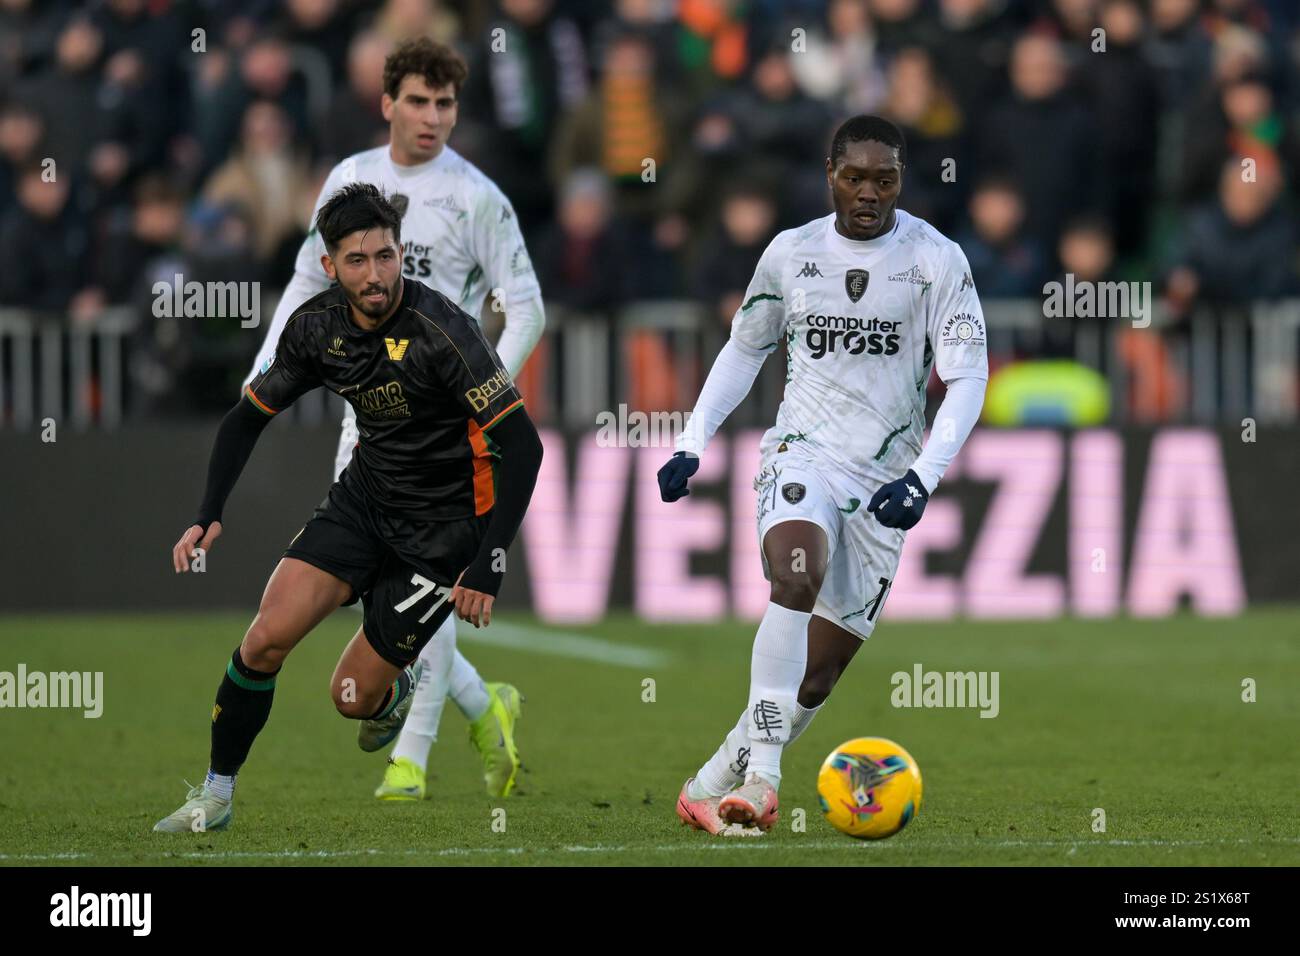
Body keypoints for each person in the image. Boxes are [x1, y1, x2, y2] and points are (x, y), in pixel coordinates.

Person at [154, 184, 542, 833]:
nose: (375, 274)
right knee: (265, 638)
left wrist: (488, 565)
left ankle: (400, 689)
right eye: (357, 260)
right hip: (363, 503)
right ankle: (216, 797)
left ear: (400, 256)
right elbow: (246, 419)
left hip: (442, 532)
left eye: (385, 256)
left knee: (351, 700)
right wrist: (208, 510)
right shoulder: (317, 328)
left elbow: (522, 447)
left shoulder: (444, 330)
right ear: (331, 267)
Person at [660, 116, 987, 835]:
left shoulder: (936, 259)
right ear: (829, 172)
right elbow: (745, 350)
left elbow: (967, 377)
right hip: (801, 455)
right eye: (856, 177)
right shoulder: (791, 253)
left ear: (901, 180)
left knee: (817, 676)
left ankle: (709, 784)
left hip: (886, 479)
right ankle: (765, 779)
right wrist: (692, 441)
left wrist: (924, 478)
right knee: (795, 575)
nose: (869, 193)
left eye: (886, 180)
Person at [243, 37, 546, 802]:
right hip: (368, 411)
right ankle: (483, 709)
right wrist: (263, 372)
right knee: (398, 586)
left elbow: (527, 304)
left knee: (421, 576)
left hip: (444, 426)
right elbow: (303, 283)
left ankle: (409, 759)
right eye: (417, 100)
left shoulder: (477, 196)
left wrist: (484, 400)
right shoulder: (350, 179)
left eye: (445, 104)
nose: (432, 117)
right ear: (386, 103)